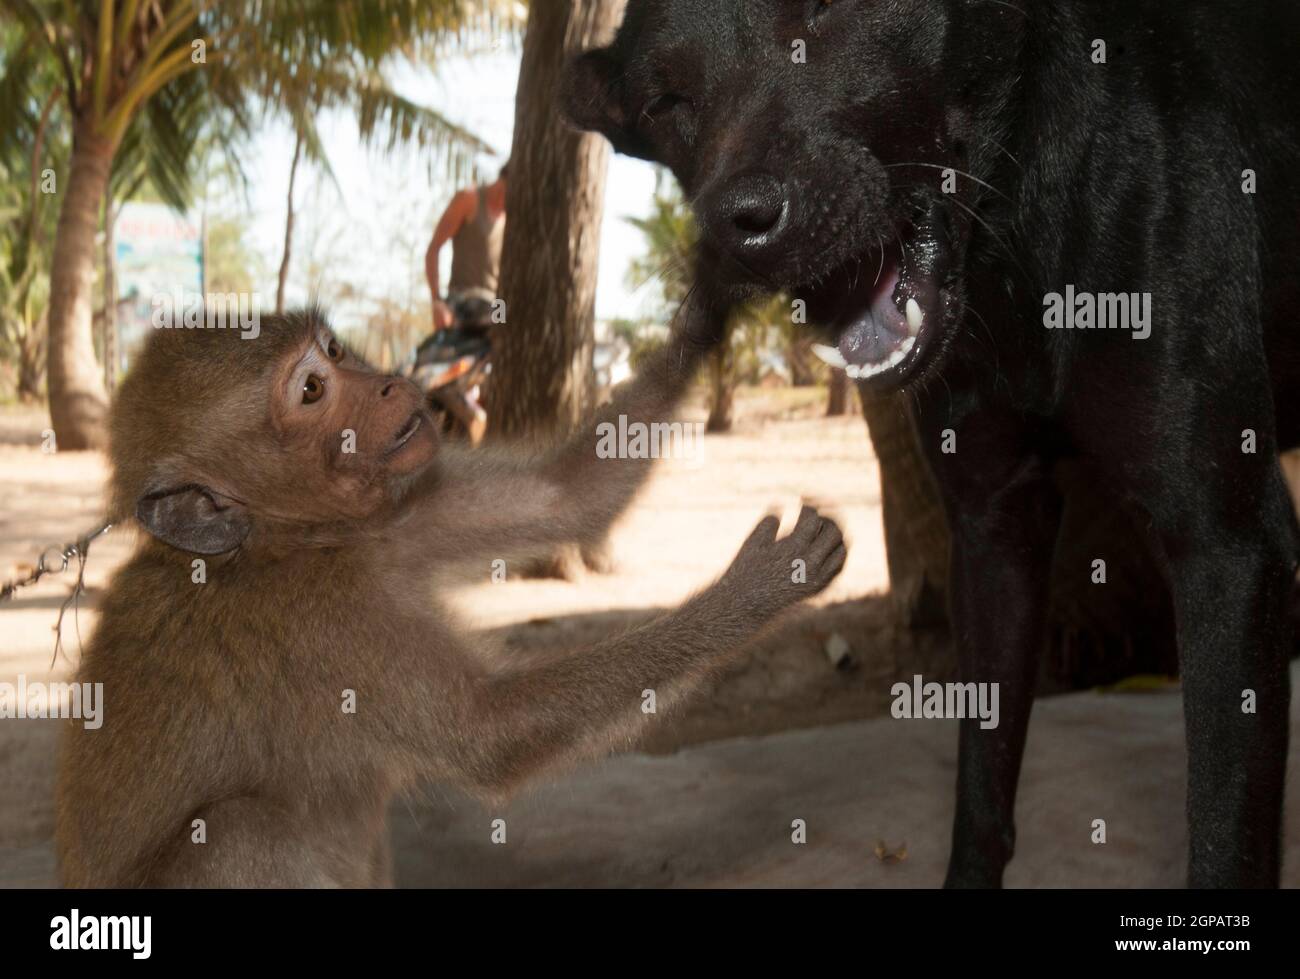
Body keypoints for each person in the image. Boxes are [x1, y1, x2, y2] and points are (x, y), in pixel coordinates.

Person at [424, 161, 508, 330]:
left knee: (505, 339)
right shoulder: (469, 199)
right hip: (462, 300)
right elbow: (433, 249)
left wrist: (502, 321)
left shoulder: (512, 219)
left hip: (496, 305)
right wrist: (437, 302)